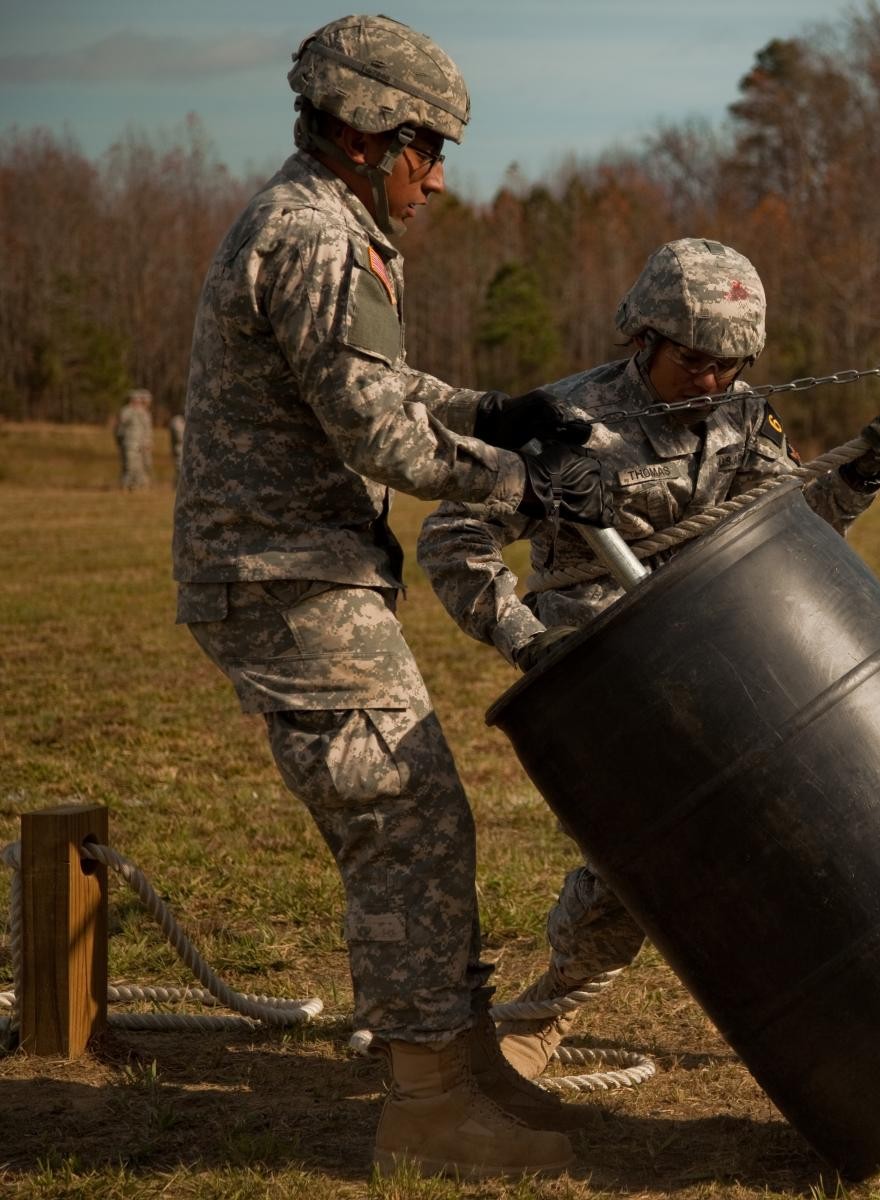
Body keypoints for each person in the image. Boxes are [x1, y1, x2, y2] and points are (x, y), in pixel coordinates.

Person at [418, 237, 880, 1093]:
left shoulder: (749, 419)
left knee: (870, 843)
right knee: (649, 869)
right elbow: (452, 536)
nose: (712, 381)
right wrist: (526, 640)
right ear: (644, 338)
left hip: (748, 666)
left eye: (731, 363)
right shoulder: (560, 426)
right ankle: (544, 1017)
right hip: (617, 685)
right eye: (694, 361)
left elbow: (790, 537)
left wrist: (855, 477)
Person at [171, 14, 606, 1180]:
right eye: (430, 145)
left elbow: (386, 383)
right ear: (368, 135)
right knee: (402, 819)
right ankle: (426, 1109)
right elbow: (372, 428)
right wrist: (521, 485)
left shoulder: (319, 223)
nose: (441, 173)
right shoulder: (316, 237)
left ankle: (461, 1068)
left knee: (420, 812)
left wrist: (493, 410)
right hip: (281, 576)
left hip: (299, 568)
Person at [114, 389, 153, 490]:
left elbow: (145, 429)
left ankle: (137, 486)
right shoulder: (128, 410)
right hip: (130, 444)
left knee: (139, 467)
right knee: (129, 466)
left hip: (139, 444)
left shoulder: (142, 412)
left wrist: (146, 442)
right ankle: (125, 486)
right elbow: (121, 423)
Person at [168, 409, 187, 480]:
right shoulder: (177, 421)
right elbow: (180, 437)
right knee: (180, 468)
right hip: (180, 448)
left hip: (187, 449)